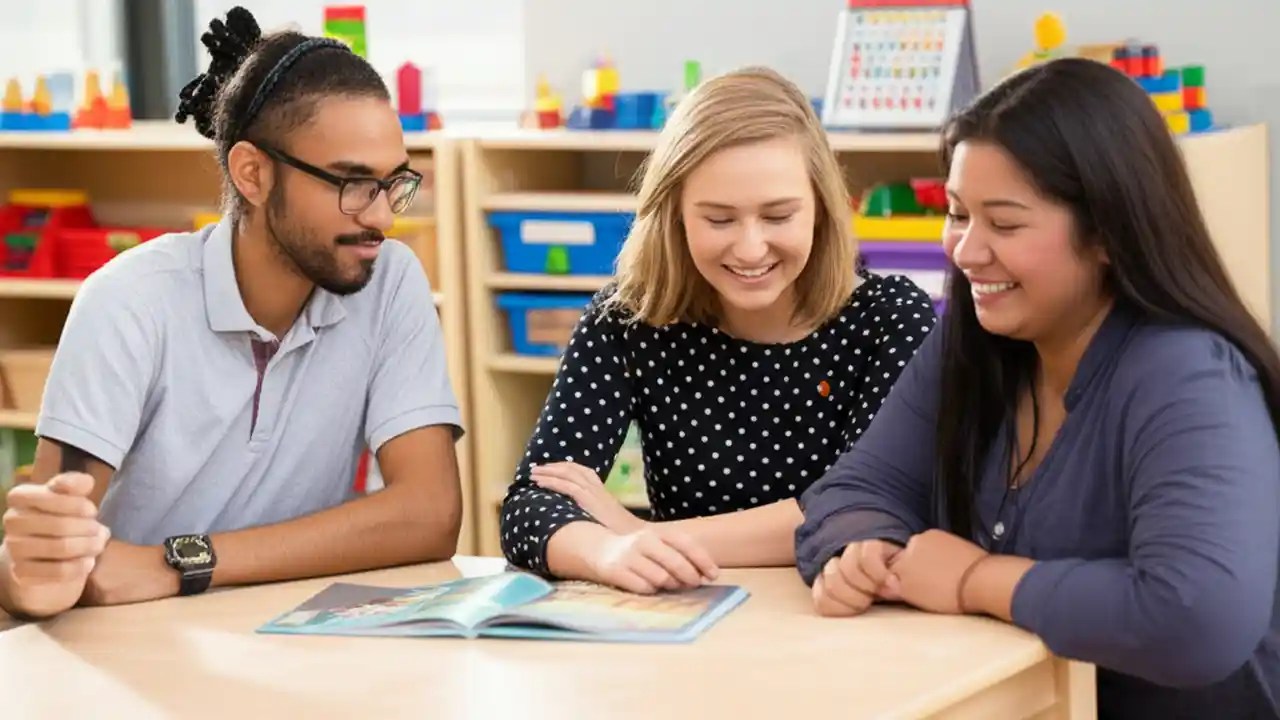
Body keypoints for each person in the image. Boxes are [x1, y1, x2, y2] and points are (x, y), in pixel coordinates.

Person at [796, 57, 1280, 718]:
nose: (964, 250)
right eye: (958, 213)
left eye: (1004, 223)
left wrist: (975, 579)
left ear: (1108, 233)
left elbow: (1197, 619)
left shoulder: (1187, 374)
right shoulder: (976, 337)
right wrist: (865, 549)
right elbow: (857, 488)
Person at [0, 7, 463, 619]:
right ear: (253, 173)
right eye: (352, 183)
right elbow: (45, 557)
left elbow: (429, 515)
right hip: (129, 647)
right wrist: (29, 574)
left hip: (289, 636)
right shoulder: (129, 301)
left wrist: (181, 562)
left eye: (393, 183)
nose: (381, 216)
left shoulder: (388, 280)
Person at [499, 66, 937, 594]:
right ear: (675, 215)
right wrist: (606, 550)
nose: (751, 248)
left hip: (837, 623)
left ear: (822, 208)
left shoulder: (890, 317)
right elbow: (530, 505)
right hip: (690, 622)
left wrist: (643, 532)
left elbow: (860, 505)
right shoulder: (627, 321)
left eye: (778, 216)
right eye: (719, 220)